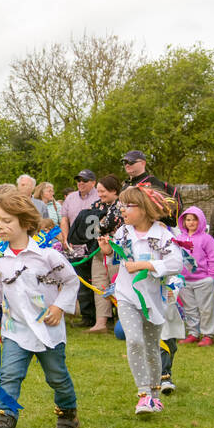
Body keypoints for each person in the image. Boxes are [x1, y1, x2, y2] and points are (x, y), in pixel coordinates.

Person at [0, 190, 81, 428]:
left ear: (25, 223)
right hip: (15, 328)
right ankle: (4, 424)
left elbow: (71, 282)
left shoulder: (48, 256)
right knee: (9, 375)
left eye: (6, 221)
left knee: (56, 376)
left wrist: (58, 307)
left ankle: (67, 414)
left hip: (48, 328)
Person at [97, 186, 183, 414]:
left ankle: (155, 394)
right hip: (126, 296)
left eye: (128, 206)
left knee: (152, 347)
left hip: (154, 300)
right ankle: (143, 393)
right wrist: (107, 251)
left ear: (144, 209)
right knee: (134, 341)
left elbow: (176, 263)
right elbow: (119, 258)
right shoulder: (123, 233)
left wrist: (145, 265)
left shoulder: (163, 235)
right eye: (121, 206)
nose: (122, 210)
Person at [83, 175, 124, 333]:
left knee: (117, 284)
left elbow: (104, 225)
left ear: (114, 190)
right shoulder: (98, 206)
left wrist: (97, 224)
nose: (100, 195)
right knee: (99, 284)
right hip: (98, 248)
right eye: (98, 192)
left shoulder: (121, 206)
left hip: (115, 250)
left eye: (103, 191)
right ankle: (101, 323)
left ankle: (123, 320)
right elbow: (90, 226)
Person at [60, 170, 101, 325]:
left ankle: (106, 317)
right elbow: (64, 219)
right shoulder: (70, 198)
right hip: (75, 244)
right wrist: (65, 238)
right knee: (82, 280)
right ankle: (87, 316)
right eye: (78, 180)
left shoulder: (99, 196)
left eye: (84, 180)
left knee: (99, 279)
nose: (81, 183)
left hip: (95, 244)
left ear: (93, 182)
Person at [175, 206, 214, 346]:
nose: (191, 222)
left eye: (195, 220)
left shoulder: (207, 239)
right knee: (189, 308)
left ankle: (207, 334)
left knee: (206, 308)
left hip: (203, 280)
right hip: (184, 281)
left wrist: (211, 276)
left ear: (200, 221)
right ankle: (193, 333)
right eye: (188, 219)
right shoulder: (179, 238)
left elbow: (213, 257)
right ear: (183, 221)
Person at [121, 151, 180, 224]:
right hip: (126, 228)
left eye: (131, 162)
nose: (127, 165)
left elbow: (160, 210)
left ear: (143, 163)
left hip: (148, 228)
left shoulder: (152, 182)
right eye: (125, 163)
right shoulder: (125, 184)